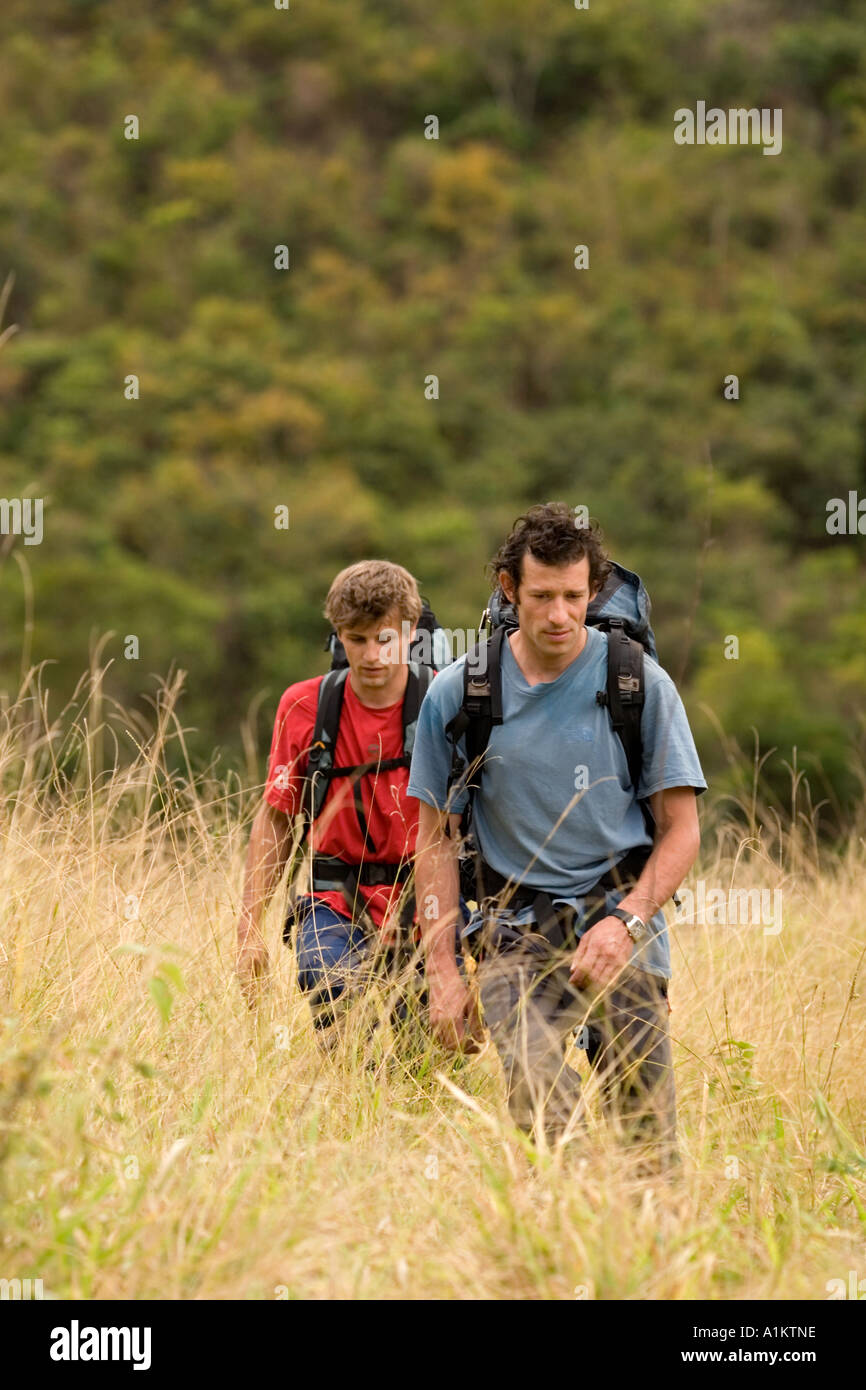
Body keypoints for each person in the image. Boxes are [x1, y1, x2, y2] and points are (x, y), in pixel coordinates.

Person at [408, 503, 706, 1162]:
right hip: (513, 929)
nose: (560, 615)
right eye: (542, 596)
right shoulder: (462, 693)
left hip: (622, 926)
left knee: (646, 1133)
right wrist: (442, 972)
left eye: (574, 596)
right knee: (535, 1090)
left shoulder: (637, 684)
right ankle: (578, 1215)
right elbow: (433, 838)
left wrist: (627, 920)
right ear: (509, 589)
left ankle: (645, 1239)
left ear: (593, 590)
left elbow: (682, 828)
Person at [236, 559, 442, 1049]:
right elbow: (278, 818)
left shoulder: (445, 701)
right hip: (334, 897)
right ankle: (346, 1103)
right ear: (338, 635)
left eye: (384, 638)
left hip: (425, 901)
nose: (371, 655)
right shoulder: (304, 707)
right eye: (356, 639)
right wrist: (249, 928)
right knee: (334, 993)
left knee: (419, 1053)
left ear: (410, 632)